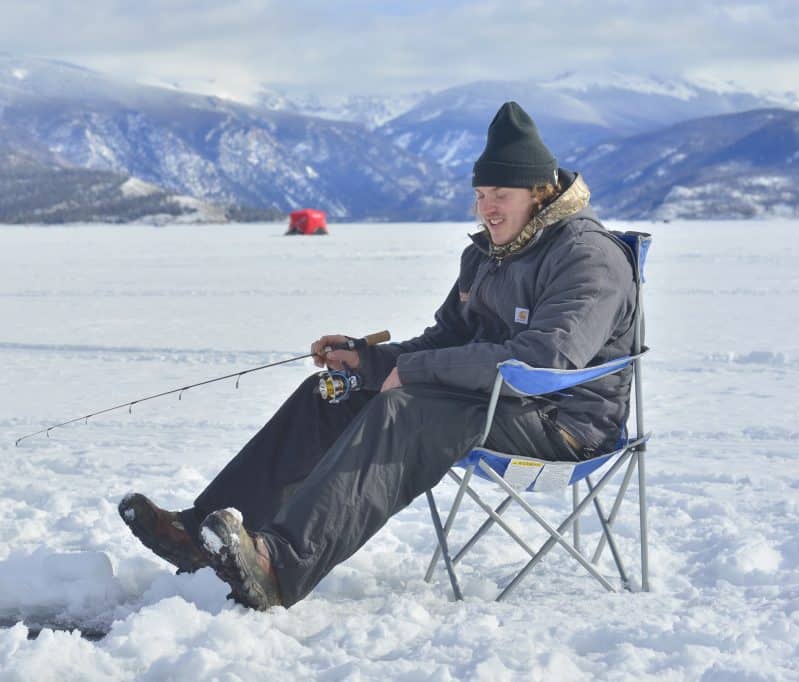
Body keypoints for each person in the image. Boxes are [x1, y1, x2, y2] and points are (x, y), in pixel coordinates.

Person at [119, 101, 637, 611]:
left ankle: (280, 566)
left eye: (501, 194)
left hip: (563, 420)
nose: (487, 208)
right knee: (329, 395)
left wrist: (410, 373)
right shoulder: (486, 254)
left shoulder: (588, 256)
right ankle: (199, 534)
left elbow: (546, 359)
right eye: (480, 195)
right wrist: (367, 362)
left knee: (404, 411)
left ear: (540, 193)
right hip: (494, 402)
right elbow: (444, 339)